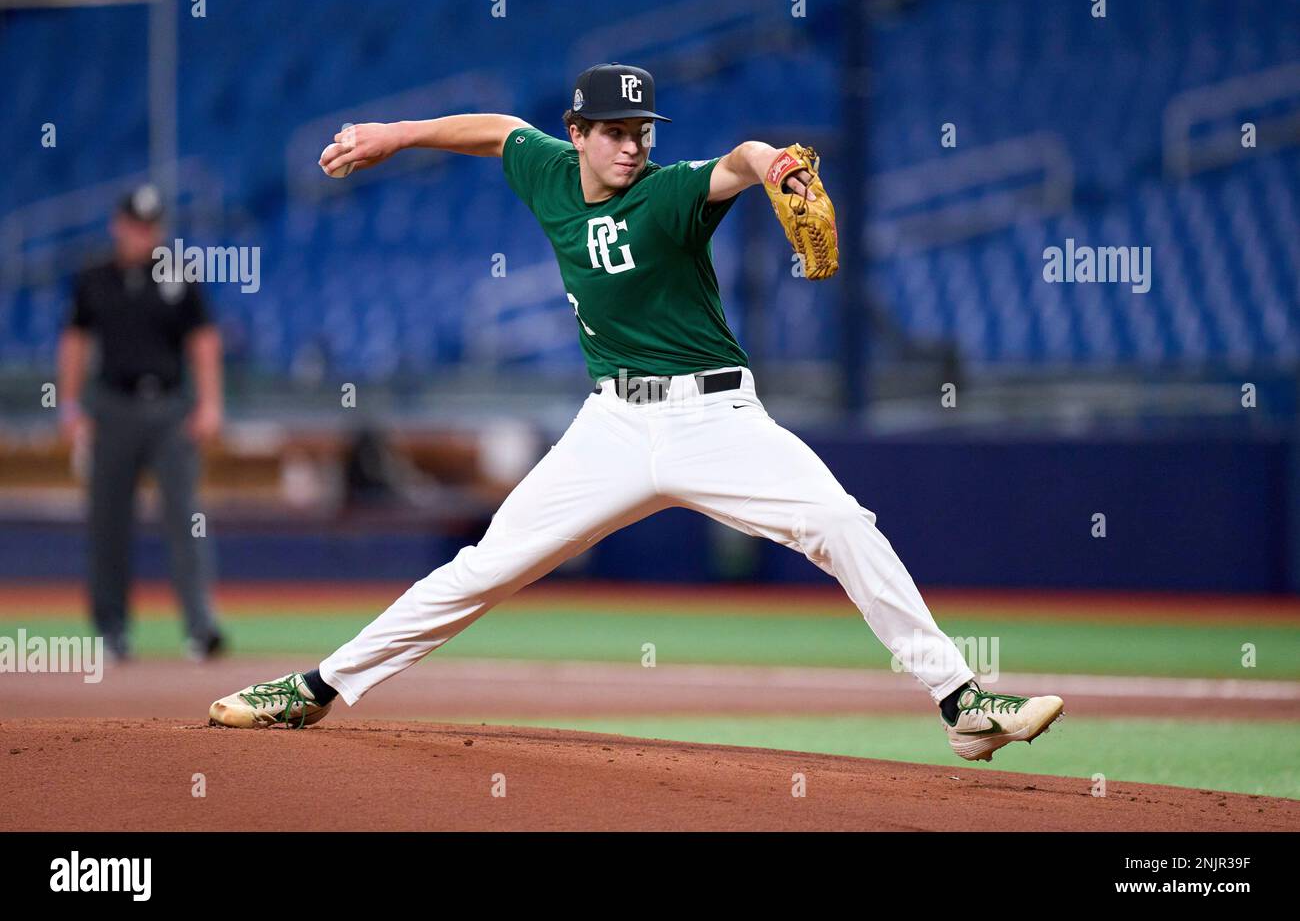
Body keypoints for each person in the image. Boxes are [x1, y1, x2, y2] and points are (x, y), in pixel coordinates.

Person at [210, 64, 1062, 762]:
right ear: (577, 135)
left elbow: (736, 160)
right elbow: (499, 129)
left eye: (641, 130)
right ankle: (316, 689)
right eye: (614, 131)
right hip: (612, 427)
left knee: (840, 522)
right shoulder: (548, 171)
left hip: (717, 419)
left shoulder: (673, 194)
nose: (631, 144)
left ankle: (959, 700)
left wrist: (774, 164)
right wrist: (393, 136)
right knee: (481, 570)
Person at [57, 185, 226, 661]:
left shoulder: (179, 275)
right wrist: (69, 406)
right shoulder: (94, 277)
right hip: (112, 408)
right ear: (118, 225)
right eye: (135, 225)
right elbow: (74, 341)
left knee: (186, 519)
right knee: (108, 521)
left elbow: (203, 341)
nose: (142, 235)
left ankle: (200, 626)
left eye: (150, 227)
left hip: (171, 409)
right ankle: (112, 629)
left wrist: (210, 404)